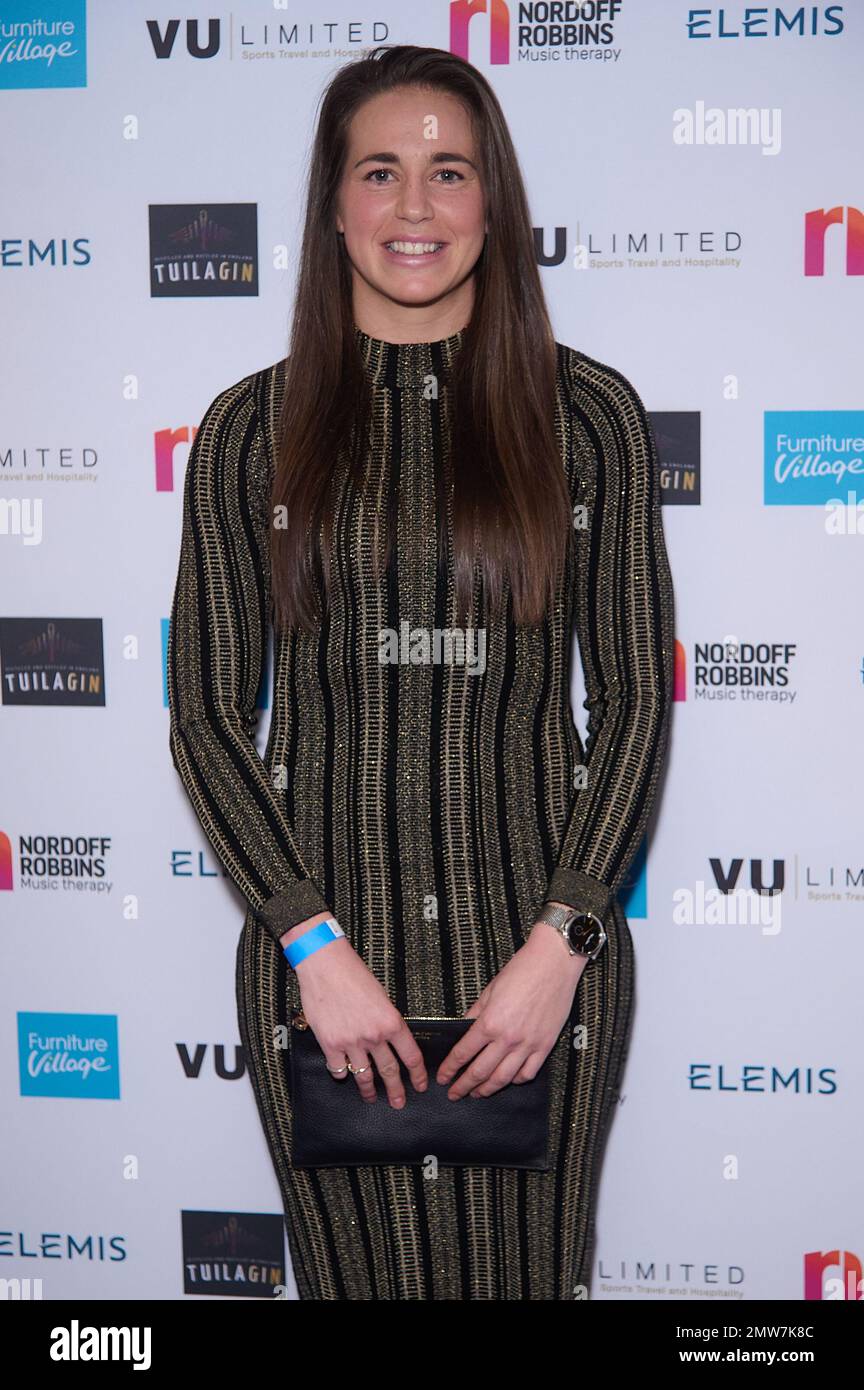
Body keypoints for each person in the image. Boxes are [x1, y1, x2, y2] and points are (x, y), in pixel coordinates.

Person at [166, 44, 675, 1301]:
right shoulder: (249, 430)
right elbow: (208, 717)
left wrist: (561, 943)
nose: (413, 208)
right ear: (332, 204)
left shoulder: (588, 417)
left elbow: (631, 705)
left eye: (449, 173)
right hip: (324, 974)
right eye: (379, 171)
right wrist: (312, 946)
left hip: (542, 960)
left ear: (492, 201)